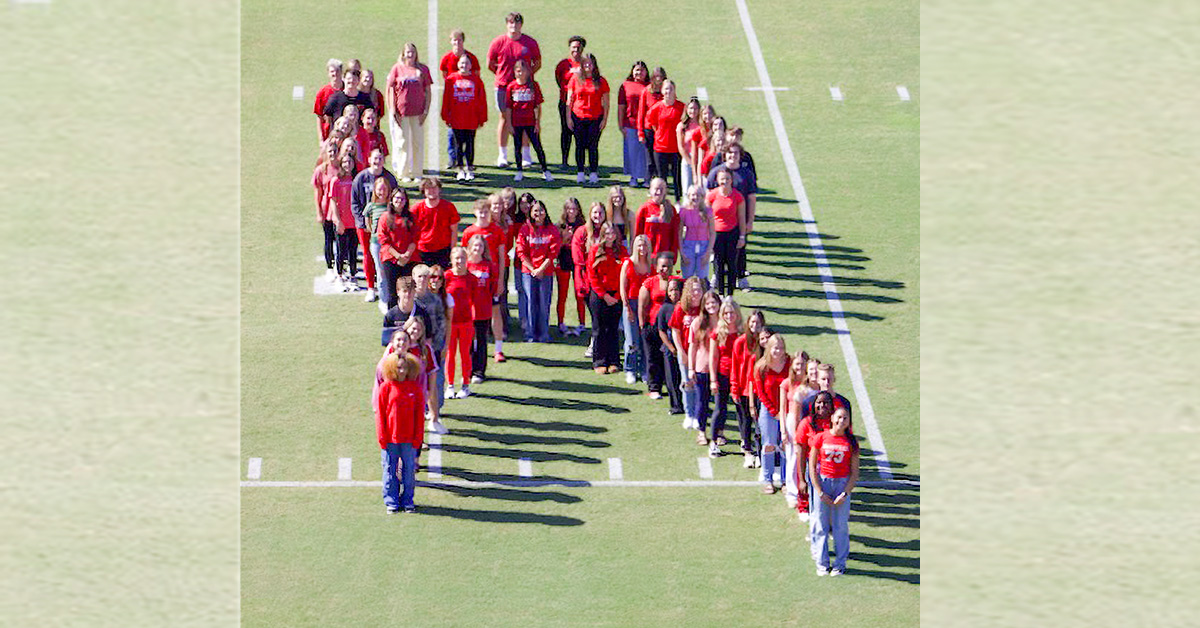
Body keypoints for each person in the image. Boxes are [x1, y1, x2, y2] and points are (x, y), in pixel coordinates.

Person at [809, 406, 859, 576]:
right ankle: (822, 563)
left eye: (845, 418)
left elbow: (854, 473)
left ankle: (840, 564)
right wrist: (819, 491)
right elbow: (812, 466)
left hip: (841, 483)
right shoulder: (820, 437)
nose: (841, 421)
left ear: (848, 422)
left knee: (840, 526)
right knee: (820, 524)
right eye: (838, 417)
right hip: (823, 482)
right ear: (832, 418)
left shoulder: (851, 442)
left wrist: (845, 493)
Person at [487, 12, 541, 168]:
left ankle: (525, 154)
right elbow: (490, 64)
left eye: (516, 23)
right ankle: (502, 155)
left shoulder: (529, 42)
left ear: (521, 25)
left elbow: (537, 62)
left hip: (523, 88)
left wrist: (526, 77)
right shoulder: (498, 42)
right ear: (506, 25)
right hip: (503, 87)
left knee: (525, 119)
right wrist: (502, 76)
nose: (513, 26)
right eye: (510, 23)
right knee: (504, 118)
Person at [375, 351, 426, 513]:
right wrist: (382, 437)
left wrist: (418, 438)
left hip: (409, 440)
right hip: (390, 439)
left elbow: (419, 416)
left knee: (409, 472)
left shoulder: (415, 389)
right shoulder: (385, 388)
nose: (402, 371)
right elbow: (380, 415)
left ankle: (408, 500)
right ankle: (391, 501)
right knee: (389, 471)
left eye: (405, 368)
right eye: (398, 368)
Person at [705, 142, 758, 291]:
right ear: (725, 155)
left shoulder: (746, 174)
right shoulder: (716, 172)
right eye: (729, 153)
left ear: (740, 156)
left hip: (738, 220)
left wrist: (750, 220)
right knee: (718, 253)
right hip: (719, 222)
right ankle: (717, 276)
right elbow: (709, 197)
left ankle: (740, 278)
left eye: (735, 153)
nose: (732, 156)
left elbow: (752, 197)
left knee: (740, 250)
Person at [461, 198, 507, 363]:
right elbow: (464, 258)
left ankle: (498, 349)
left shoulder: (497, 230)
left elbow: (502, 257)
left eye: (486, 212)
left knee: (496, 312)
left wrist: (500, 280)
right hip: (473, 281)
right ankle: (474, 350)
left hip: (491, 279)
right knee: (473, 316)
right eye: (480, 212)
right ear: (475, 213)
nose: (483, 215)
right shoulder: (468, 232)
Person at [352, 149, 399, 303]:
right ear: (369, 159)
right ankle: (371, 287)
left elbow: (396, 199)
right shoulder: (361, 178)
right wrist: (364, 222)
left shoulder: (389, 178)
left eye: (380, 158)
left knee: (387, 256)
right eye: (375, 158)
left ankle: (388, 288)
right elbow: (355, 203)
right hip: (366, 226)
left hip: (387, 227)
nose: (377, 161)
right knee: (368, 255)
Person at [386, 43, 435, 182]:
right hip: (401, 114)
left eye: (412, 52)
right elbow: (390, 90)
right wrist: (393, 110)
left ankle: (417, 172)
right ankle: (404, 172)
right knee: (403, 143)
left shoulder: (423, 69)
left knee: (417, 143)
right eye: (408, 52)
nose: (410, 54)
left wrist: (426, 111)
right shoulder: (397, 68)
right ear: (403, 53)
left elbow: (428, 91)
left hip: (418, 113)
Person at [515, 199, 562, 343]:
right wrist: (532, 269)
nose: (538, 213)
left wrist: (541, 269)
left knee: (543, 302)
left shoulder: (552, 229)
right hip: (528, 272)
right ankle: (530, 333)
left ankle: (543, 333)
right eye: (535, 210)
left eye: (541, 210)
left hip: (546, 272)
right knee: (530, 301)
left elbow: (553, 253)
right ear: (530, 212)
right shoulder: (524, 229)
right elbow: (521, 252)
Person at [586, 222, 626, 374]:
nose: (610, 236)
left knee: (613, 329)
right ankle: (599, 361)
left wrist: (616, 295)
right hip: (599, 296)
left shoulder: (621, 251)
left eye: (613, 233)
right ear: (602, 235)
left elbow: (624, 273)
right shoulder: (596, 250)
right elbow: (592, 275)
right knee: (599, 329)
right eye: (607, 233)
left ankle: (614, 361)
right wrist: (604, 295)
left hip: (616, 295)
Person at [751, 333, 790, 494]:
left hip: (787, 410)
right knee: (768, 445)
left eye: (781, 348)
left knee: (785, 444)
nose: (778, 351)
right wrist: (774, 412)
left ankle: (785, 480)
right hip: (769, 411)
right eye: (775, 348)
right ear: (768, 348)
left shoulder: (790, 363)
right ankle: (768, 479)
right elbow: (760, 392)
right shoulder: (761, 366)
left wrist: (784, 411)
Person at [442, 54, 488, 182]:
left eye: (466, 63)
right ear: (458, 65)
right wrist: (446, 116)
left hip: (471, 119)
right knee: (458, 145)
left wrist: (482, 118)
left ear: (471, 65)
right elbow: (446, 99)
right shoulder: (451, 79)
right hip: (457, 119)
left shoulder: (476, 80)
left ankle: (469, 168)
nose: (464, 66)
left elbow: (481, 100)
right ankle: (460, 169)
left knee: (470, 144)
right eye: (462, 63)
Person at [564, 54, 610, 184]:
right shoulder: (575, 79)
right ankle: (580, 172)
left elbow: (606, 102)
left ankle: (594, 173)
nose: (588, 67)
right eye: (585, 64)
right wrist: (568, 118)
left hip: (595, 118)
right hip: (578, 116)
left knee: (593, 146)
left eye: (590, 64)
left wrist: (604, 119)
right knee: (579, 145)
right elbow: (570, 99)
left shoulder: (601, 81)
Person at [638, 251, 678, 399]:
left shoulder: (677, 282)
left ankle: (671, 386)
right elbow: (642, 305)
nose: (664, 270)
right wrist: (643, 325)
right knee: (652, 357)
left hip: (671, 327)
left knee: (668, 358)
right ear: (656, 267)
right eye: (662, 266)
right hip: (653, 325)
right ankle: (654, 387)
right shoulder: (649, 282)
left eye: (667, 266)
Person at [505, 59, 552, 181]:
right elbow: (509, 108)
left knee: (538, 146)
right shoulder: (511, 87)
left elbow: (537, 106)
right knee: (517, 147)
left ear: (528, 72)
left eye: (523, 71)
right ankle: (519, 170)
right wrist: (509, 124)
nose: (520, 73)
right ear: (515, 72)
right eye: (518, 71)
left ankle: (545, 170)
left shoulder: (533, 85)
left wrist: (537, 122)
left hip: (530, 121)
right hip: (517, 122)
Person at [707, 297, 743, 457]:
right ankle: (713, 441)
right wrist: (713, 379)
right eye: (726, 313)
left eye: (732, 312)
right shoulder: (717, 333)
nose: (729, 316)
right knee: (720, 409)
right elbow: (713, 357)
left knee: (741, 410)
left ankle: (745, 441)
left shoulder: (742, 332)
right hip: (723, 374)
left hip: (740, 376)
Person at [439, 29, 480, 167]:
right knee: (452, 134)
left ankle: (467, 161)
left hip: (467, 102)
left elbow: (476, 77)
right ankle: (453, 159)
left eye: (459, 40)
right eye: (454, 40)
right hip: (454, 100)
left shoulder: (471, 58)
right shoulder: (447, 58)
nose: (457, 43)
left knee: (468, 137)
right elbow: (444, 74)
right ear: (451, 42)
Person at [731, 310, 766, 468]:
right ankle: (747, 452)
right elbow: (735, 367)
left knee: (759, 423)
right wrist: (734, 388)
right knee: (744, 422)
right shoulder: (740, 342)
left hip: (761, 390)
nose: (755, 325)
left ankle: (759, 452)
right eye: (752, 322)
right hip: (744, 389)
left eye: (758, 323)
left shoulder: (765, 342)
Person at [670, 276, 705, 429]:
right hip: (685, 351)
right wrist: (681, 352)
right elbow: (675, 331)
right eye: (693, 289)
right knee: (687, 383)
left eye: (699, 289)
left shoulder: (706, 308)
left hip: (702, 354)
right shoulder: (681, 308)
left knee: (700, 385)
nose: (696, 293)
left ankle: (698, 415)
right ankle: (689, 414)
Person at [376, 187, 420, 309]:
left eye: (402, 198)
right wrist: (398, 256)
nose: (399, 201)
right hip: (391, 259)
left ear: (406, 201)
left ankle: (408, 317)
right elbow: (383, 239)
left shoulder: (411, 217)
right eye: (396, 198)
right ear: (391, 200)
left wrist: (406, 255)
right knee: (393, 293)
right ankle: (393, 320)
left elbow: (415, 238)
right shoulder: (385, 217)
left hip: (410, 258)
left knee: (409, 292)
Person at [781, 350, 814, 511]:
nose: (800, 367)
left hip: (807, 423)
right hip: (793, 421)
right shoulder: (789, 383)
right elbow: (784, 409)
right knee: (793, 458)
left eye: (803, 363)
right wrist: (786, 431)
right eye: (797, 363)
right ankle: (792, 493)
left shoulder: (811, 384)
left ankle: (807, 492)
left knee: (807, 459)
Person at [444, 247, 479, 399]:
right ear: (452, 260)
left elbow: (475, 301)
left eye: (462, 258)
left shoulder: (472, 278)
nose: (459, 261)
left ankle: (465, 385)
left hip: (466, 323)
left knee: (465, 355)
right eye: (457, 258)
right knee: (450, 355)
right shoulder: (446, 277)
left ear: (467, 260)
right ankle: (450, 385)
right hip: (450, 323)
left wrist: (474, 322)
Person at [687, 290, 721, 447]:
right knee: (702, 401)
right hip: (702, 368)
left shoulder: (725, 322)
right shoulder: (697, 323)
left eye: (714, 302)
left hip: (721, 368)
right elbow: (692, 347)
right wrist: (691, 368)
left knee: (720, 404)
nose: (711, 306)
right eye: (708, 303)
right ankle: (702, 431)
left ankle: (719, 432)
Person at [706, 169, 747, 296]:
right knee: (718, 264)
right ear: (717, 180)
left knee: (731, 264)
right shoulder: (711, 195)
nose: (724, 181)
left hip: (732, 233)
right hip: (717, 234)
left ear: (732, 180)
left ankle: (729, 294)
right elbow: (706, 218)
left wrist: (742, 236)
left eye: (727, 178)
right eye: (722, 179)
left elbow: (741, 218)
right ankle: (720, 293)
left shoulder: (737, 196)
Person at [643, 80, 686, 200]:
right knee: (662, 178)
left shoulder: (681, 107)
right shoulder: (657, 107)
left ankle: (678, 201)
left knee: (677, 177)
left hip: (676, 148)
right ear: (662, 91)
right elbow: (651, 122)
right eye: (666, 89)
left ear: (675, 90)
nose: (668, 91)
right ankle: (662, 203)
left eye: (671, 89)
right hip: (660, 148)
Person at [619, 235, 653, 385]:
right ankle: (630, 369)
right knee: (632, 340)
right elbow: (622, 287)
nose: (642, 249)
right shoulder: (628, 263)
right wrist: (627, 307)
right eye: (639, 245)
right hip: (631, 304)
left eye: (644, 245)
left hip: (646, 305)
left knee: (645, 338)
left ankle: (644, 370)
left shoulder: (651, 264)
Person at [465, 234, 498, 384]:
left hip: (483, 310)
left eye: (480, 246)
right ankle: (469, 370)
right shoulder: (465, 265)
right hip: (467, 311)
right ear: (470, 248)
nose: (477, 248)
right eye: (475, 246)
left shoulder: (489, 265)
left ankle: (480, 371)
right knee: (468, 342)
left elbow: (493, 286)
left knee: (482, 340)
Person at [571, 202, 605, 345]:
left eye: (601, 213)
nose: (598, 216)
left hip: (604, 278)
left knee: (602, 314)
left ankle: (600, 342)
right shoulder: (581, 232)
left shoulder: (607, 230)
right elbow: (578, 258)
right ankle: (595, 343)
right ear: (590, 214)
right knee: (595, 314)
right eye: (595, 213)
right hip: (586, 279)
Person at [411, 177, 460, 270]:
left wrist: (453, 251)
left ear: (439, 190)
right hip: (422, 250)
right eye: (428, 189)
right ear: (423, 191)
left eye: (434, 188)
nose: (431, 191)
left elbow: (454, 231)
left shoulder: (449, 207)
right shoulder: (416, 209)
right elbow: (410, 231)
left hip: (443, 250)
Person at [326, 155, 359, 288]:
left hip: (354, 222)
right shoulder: (336, 180)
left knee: (353, 250)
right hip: (342, 222)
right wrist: (338, 221)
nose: (347, 164)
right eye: (344, 162)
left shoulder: (356, 179)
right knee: (340, 250)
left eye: (350, 161)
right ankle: (339, 275)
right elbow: (333, 201)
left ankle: (353, 275)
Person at [555, 198, 587, 336]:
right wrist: (564, 239)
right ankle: (561, 323)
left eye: (574, 209)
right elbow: (555, 247)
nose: (571, 212)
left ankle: (582, 323)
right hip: (563, 261)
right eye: (569, 209)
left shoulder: (583, 225)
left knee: (580, 294)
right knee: (562, 294)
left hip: (578, 263)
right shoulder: (560, 225)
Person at [554, 36, 586, 169]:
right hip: (565, 103)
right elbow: (558, 79)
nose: (576, 50)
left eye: (578, 47)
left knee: (581, 133)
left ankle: (582, 162)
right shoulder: (563, 64)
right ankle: (564, 160)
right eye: (573, 47)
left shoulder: (586, 63)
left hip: (581, 104)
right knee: (566, 131)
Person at [655, 277, 686, 415]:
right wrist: (671, 347)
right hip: (670, 349)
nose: (674, 293)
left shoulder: (686, 308)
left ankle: (688, 404)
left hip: (685, 348)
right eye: (671, 290)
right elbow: (661, 330)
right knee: (672, 378)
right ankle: (676, 405)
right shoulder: (665, 309)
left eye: (677, 290)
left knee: (685, 377)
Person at [617, 61, 650, 187]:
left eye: (642, 70)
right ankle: (634, 177)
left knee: (645, 153)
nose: (639, 73)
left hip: (646, 125)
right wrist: (621, 125)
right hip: (630, 124)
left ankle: (647, 178)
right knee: (632, 152)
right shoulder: (625, 86)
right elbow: (621, 107)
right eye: (636, 70)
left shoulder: (650, 86)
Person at [362, 177, 393, 309]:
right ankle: (384, 299)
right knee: (381, 272)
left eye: (384, 189)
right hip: (376, 243)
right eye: (379, 189)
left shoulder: (391, 206)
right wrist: (373, 230)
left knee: (390, 272)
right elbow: (367, 222)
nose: (382, 192)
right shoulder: (371, 206)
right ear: (375, 190)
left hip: (390, 244)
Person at [633, 178, 681, 261]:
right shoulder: (644, 209)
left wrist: (674, 254)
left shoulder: (671, 209)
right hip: (647, 256)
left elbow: (674, 234)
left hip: (665, 257)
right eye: (656, 189)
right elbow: (638, 234)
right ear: (650, 190)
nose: (659, 192)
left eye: (662, 189)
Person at [312, 140, 340, 281]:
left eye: (335, 151)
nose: (333, 154)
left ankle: (340, 267)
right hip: (327, 209)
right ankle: (330, 266)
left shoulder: (343, 168)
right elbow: (318, 193)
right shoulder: (321, 170)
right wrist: (319, 213)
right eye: (330, 152)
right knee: (329, 239)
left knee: (341, 240)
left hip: (341, 211)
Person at [678, 184, 715, 281]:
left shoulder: (708, 211)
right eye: (693, 195)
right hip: (688, 245)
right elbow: (679, 233)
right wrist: (682, 253)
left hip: (703, 245)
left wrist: (708, 253)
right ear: (689, 196)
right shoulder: (684, 211)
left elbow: (712, 233)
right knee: (687, 277)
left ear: (702, 196)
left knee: (702, 277)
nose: (695, 197)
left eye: (698, 195)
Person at [382, 276, 430, 349]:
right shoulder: (391, 315)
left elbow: (428, 338)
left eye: (411, 291)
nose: (408, 294)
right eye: (404, 291)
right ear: (398, 292)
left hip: (417, 353)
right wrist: (404, 327)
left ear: (415, 291)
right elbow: (386, 341)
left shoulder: (423, 312)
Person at [636, 67, 667, 180]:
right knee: (650, 158)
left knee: (660, 157)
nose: (658, 79)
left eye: (661, 77)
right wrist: (640, 133)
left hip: (663, 130)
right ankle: (649, 180)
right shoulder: (646, 91)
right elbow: (641, 113)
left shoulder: (666, 91)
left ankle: (660, 180)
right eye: (656, 76)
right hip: (649, 129)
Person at [323, 69, 374, 133]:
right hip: (340, 136)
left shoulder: (365, 98)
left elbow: (371, 115)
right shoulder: (336, 98)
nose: (351, 81)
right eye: (349, 78)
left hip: (359, 136)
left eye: (354, 79)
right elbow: (327, 115)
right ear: (343, 79)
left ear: (358, 81)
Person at [676, 97, 702, 194]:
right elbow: (681, 147)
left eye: (695, 108)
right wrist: (690, 162)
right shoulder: (682, 126)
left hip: (700, 158)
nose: (693, 111)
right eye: (690, 108)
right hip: (688, 159)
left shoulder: (701, 125)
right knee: (687, 189)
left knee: (699, 188)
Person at [314, 58, 344, 141]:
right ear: (328, 73)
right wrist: (321, 139)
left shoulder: (348, 89)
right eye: (332, 71)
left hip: (346, 134)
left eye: (337, 71)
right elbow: (319, 117)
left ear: (341, 72)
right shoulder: (322, 93)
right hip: (329, 136)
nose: (335, 74)